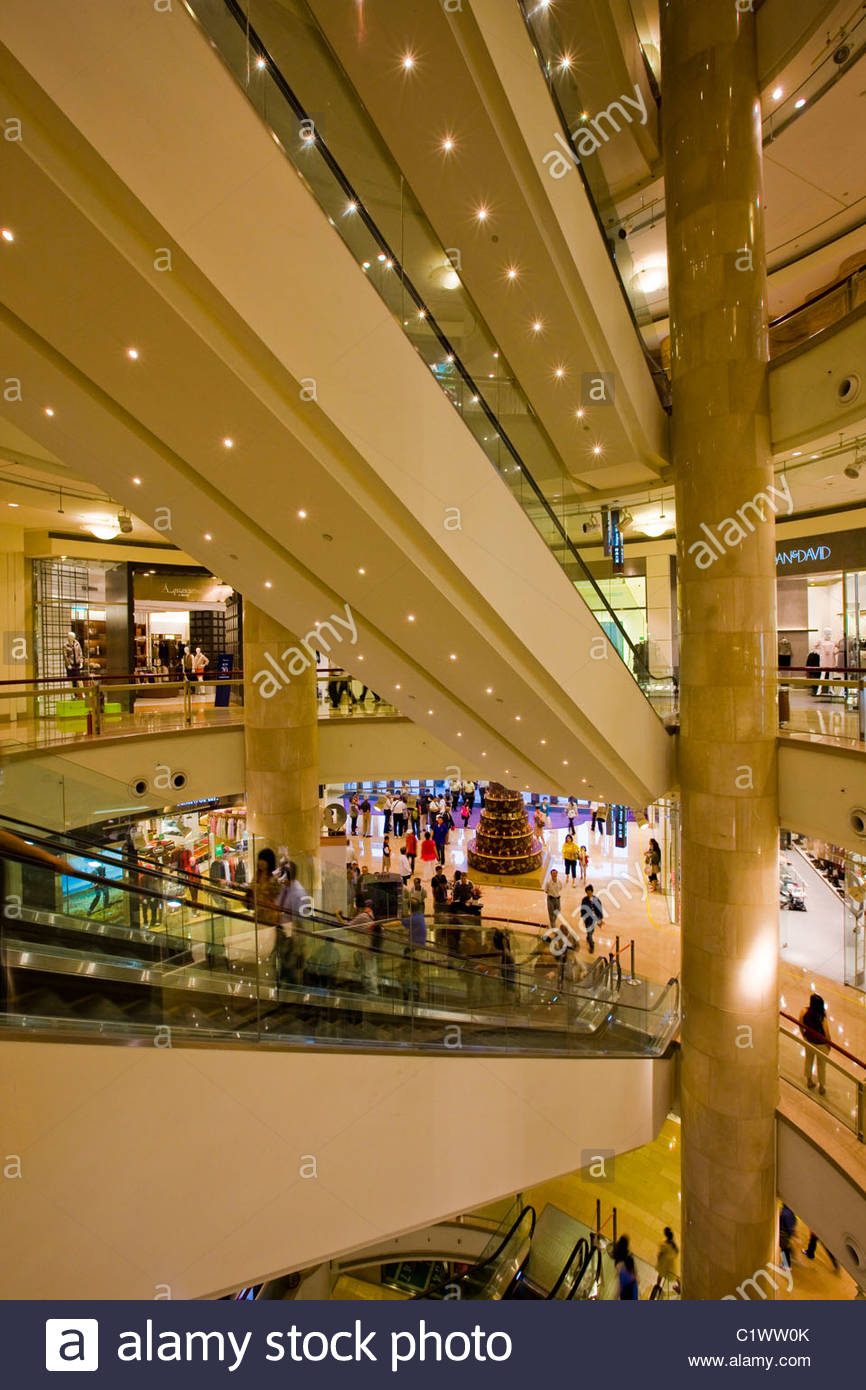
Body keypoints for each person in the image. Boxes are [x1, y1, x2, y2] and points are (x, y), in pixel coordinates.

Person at [799, 992, 831, 1094]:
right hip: (821, 1044)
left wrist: (804, 1035)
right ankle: (821, 1086)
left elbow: (800, 1024)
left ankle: (809, 1080)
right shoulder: (822, 1017)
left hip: (809, 1040)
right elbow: (826, 1034)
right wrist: (829, 1046)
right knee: (821, 1065)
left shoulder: (804, 1011)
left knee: (808, 1060)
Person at [651, 1228, 679, 1299]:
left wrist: (658, 1258)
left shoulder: (664, 1244)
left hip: (664, 1263)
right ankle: (680, 1287)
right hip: (671, 1264)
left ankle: (658, 1285)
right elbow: (677, 1252)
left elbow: (660, 1253)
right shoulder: (673, 1243)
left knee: (660, 1274)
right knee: (674, 1275)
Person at [580, 884, 602, 953]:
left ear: (592, 892)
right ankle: (591, 945)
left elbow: (599, 909)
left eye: (590, 892)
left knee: (591, 931)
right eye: (587, 892)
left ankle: (589, 937)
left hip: (594, 919)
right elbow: (583, 909)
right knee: (589, 932)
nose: (589, 894)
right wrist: (583, 917)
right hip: (587, 919)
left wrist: (600, 918)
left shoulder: (596, 900)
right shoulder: (584, 900)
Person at [405, 877, 427, 946]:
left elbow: (424, 897)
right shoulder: (412, 889)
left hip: (420, 905)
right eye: (414, 883)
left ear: (419, 883)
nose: (415, 884)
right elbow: (410, 896)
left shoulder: (423, 890)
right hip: (414, 905)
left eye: (416, 883)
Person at [779, 1204, 797, 1271]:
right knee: (785, 1249)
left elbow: (789, 1227)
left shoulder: (786, 1213)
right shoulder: (790, 1212)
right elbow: (793, 1223)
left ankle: (786, 1266)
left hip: (784, 1234)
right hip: (785, 1234)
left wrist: (791, 1233)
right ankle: (785, 1264)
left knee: (784, 1250)